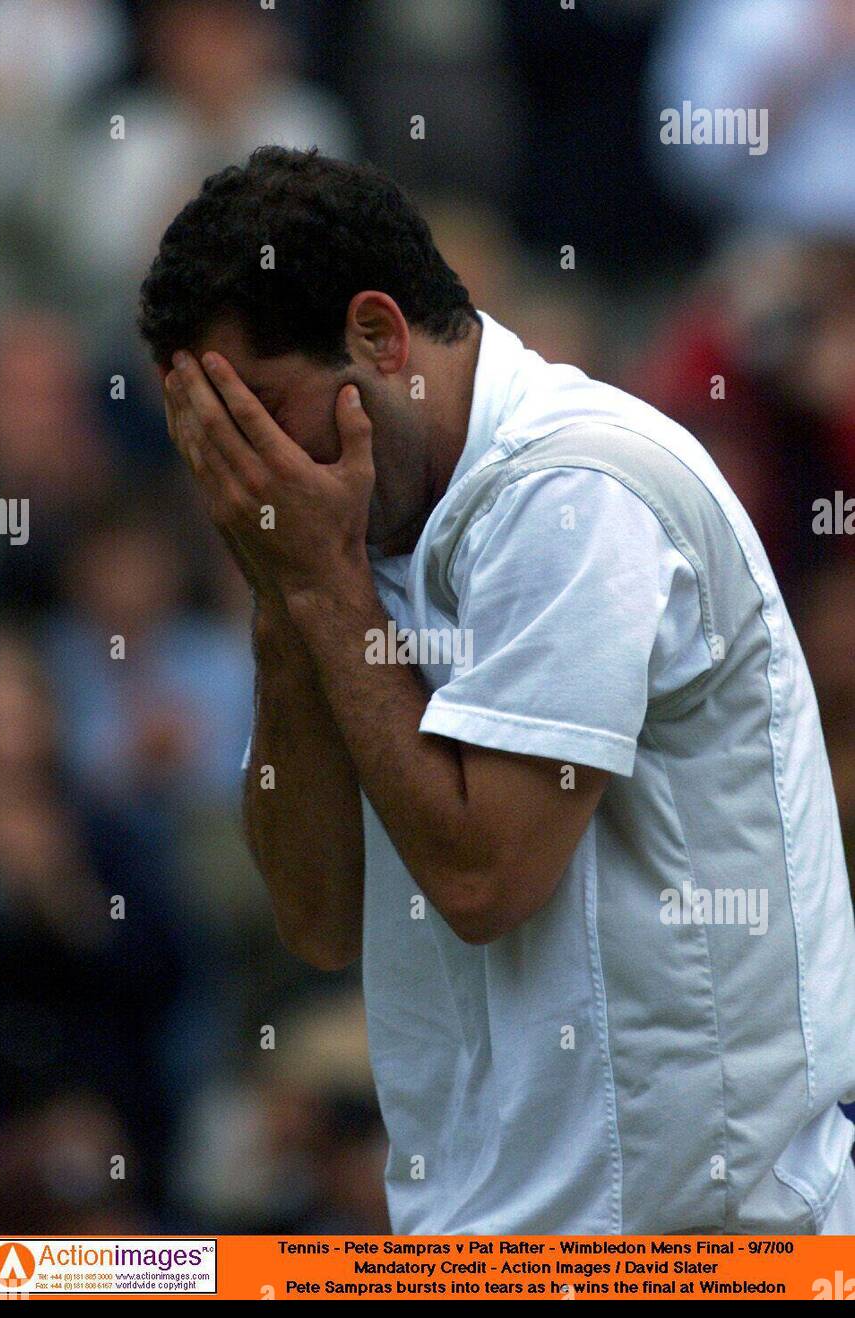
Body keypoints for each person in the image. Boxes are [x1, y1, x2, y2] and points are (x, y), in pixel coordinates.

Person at [138, 146, 855, 1236]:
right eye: (218, 444)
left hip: (707, 1255)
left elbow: (484, 879)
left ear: (379, 337)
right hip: (475, 1242)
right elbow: (319, 918)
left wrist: (319, 588)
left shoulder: (578, 488)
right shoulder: (344, 520)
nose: (254, 473)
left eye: (265, 417)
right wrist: (287, 608)